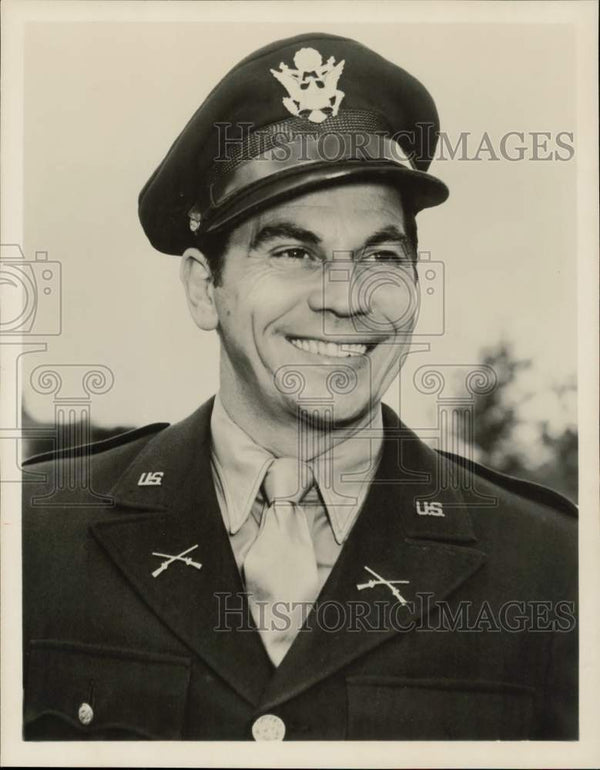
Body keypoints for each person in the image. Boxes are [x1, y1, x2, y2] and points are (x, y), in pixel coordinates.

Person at [22, 32, 577, 741]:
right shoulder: (35, 536)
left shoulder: (551, 564)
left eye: (380, 256)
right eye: (293, 252)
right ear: (204, 288)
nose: (345, 298)